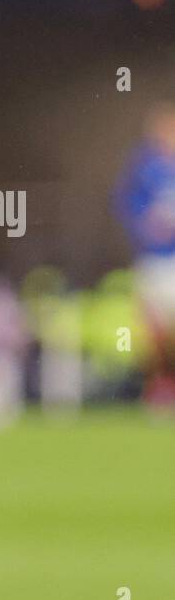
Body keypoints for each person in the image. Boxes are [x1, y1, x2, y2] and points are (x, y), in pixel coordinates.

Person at [115, 102, 175, 408]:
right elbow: (127, 205)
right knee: (154, 330)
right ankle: (159, 386)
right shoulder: (144, 167)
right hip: (154, 260)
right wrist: (147, 226)